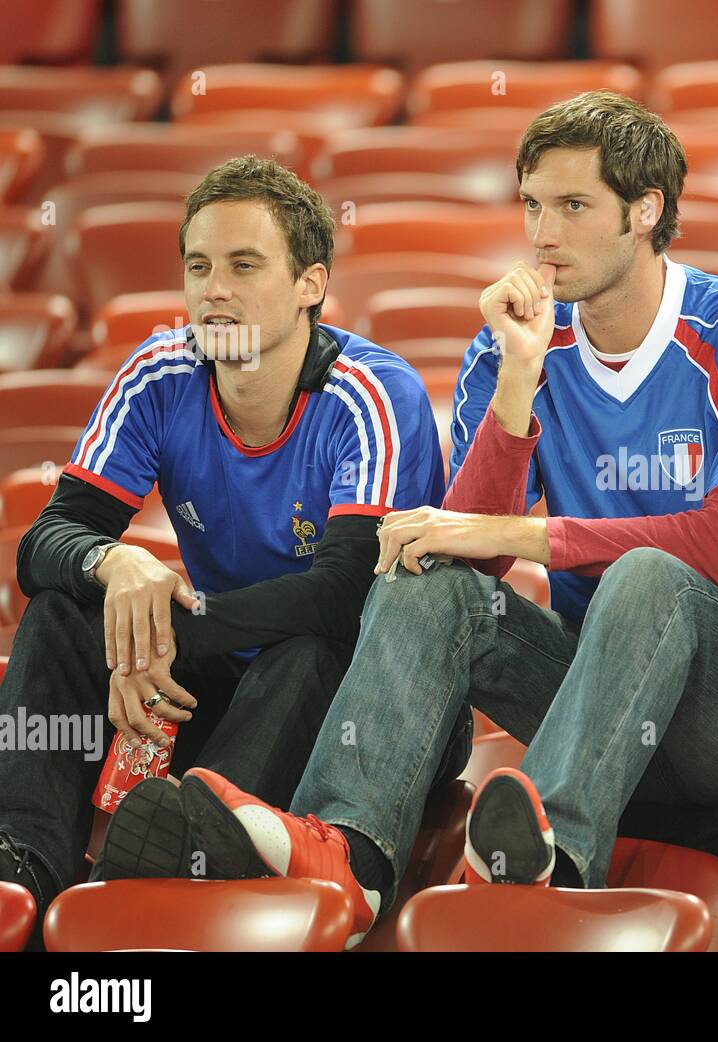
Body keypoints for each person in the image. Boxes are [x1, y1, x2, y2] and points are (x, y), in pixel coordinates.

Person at [116, 90, 718, 949]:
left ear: (646, 211)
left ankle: (545, 860)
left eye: (574, 207)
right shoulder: (513, 344)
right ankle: (348, 855)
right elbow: (468, 561)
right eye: (533, 206)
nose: (543, 236)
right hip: (605, 694)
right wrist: (517, 383)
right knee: (423, 569)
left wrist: (511, 535)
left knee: (649, 577)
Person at [0, 156, 444, 936]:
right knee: (62, 612)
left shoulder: (371, 394)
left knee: (307, 644)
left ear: (311, 284)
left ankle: (193, 855)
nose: (215, 290)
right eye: (199, 266)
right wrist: (116, 560)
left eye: (244, 265)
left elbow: (344, 595)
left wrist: (162, 638)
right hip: (208, 684)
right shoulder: (160, 373)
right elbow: (42, 546)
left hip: (351, 705)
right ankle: (20, 869)